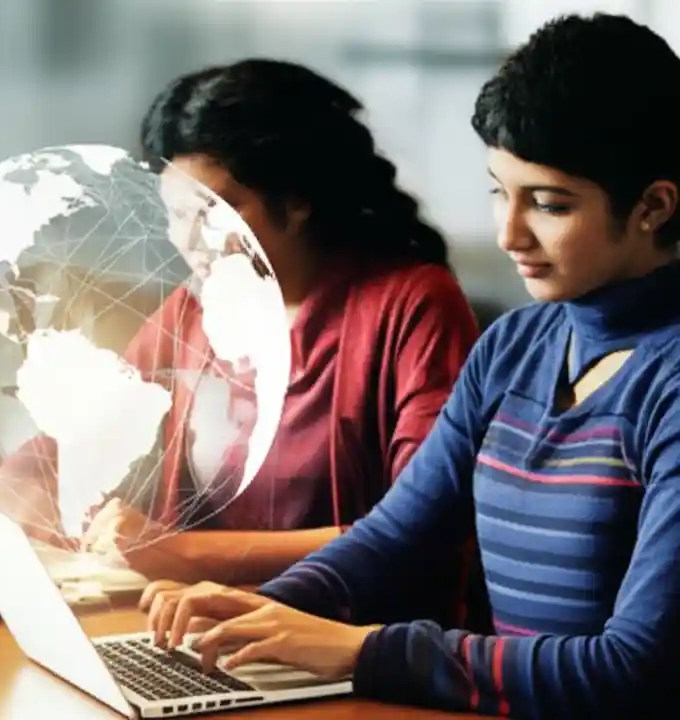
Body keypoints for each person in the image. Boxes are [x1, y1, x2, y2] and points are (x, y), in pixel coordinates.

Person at [143, 14, 680, 719]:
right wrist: (262, 608)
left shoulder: (666, 382)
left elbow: (631, 670)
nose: (509, 233)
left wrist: (356, 650)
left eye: (548, 204)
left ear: (653, 206)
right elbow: (396, 535)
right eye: (498, 192)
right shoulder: (516, 345)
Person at [0, 59, 479, 622]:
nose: (189, 240)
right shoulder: (198, 305)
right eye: (176, 213)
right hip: (202, 626)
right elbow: (71, 440)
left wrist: (187, 554)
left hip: (346, 644)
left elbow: (421, 530)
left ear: (297, 202)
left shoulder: (414, 305)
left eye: (216, 211)